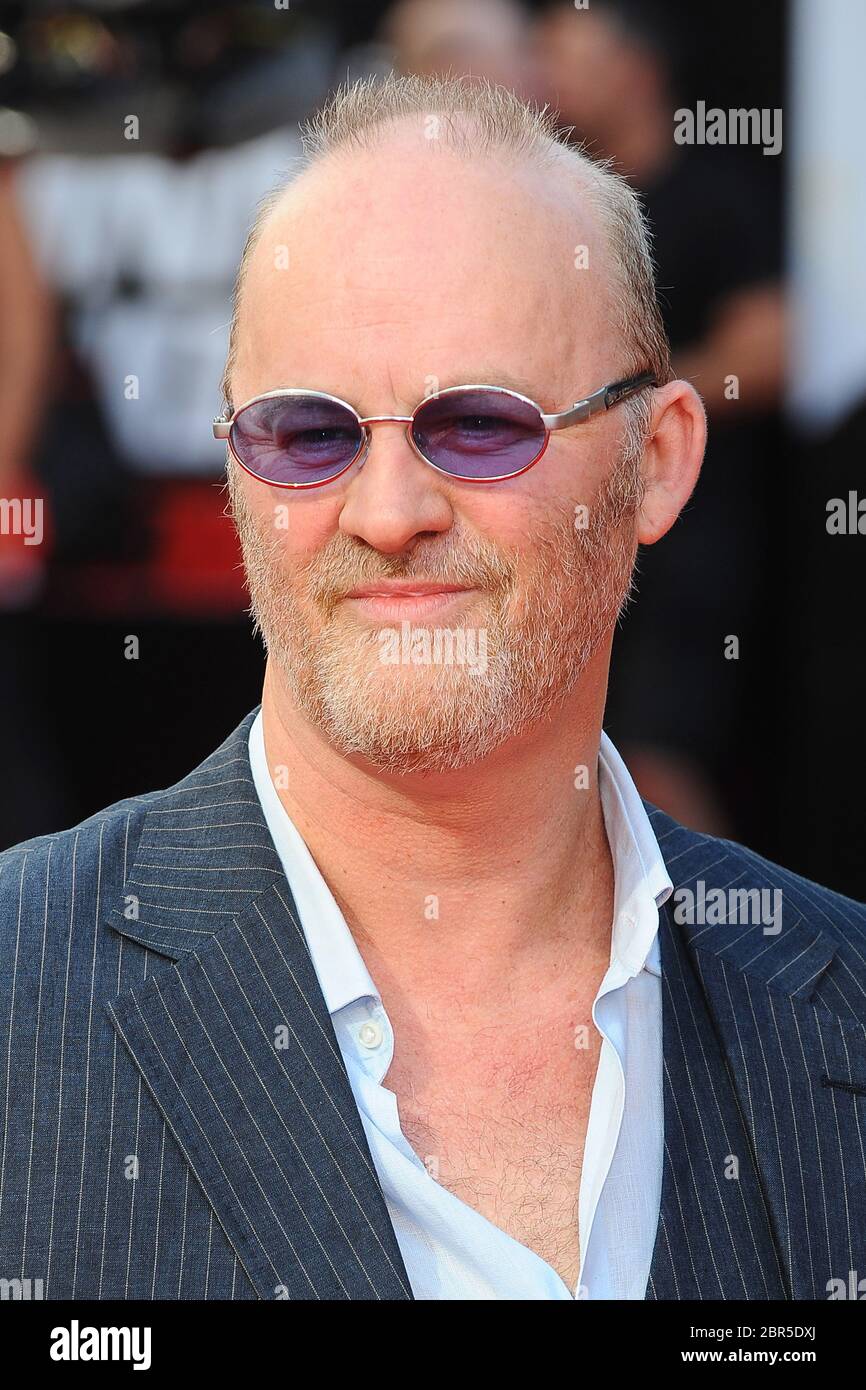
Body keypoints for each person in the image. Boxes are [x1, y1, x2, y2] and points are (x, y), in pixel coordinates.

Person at [0, 74, 863, 1302]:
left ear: (656, 462)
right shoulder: (18, 1000)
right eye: (307, 434)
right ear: (234, 473)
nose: (389, 512)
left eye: (477, 425)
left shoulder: (840, 1006)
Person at [535, 0, 786, 835]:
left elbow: (769, 353)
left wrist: (619, 403)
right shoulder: (564, 212)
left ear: (636, 72)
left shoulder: (713, 200)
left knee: (656, 761)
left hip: (682, 535)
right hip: (564, 527)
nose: (551, 79)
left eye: (574, 59)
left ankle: (717, 955)